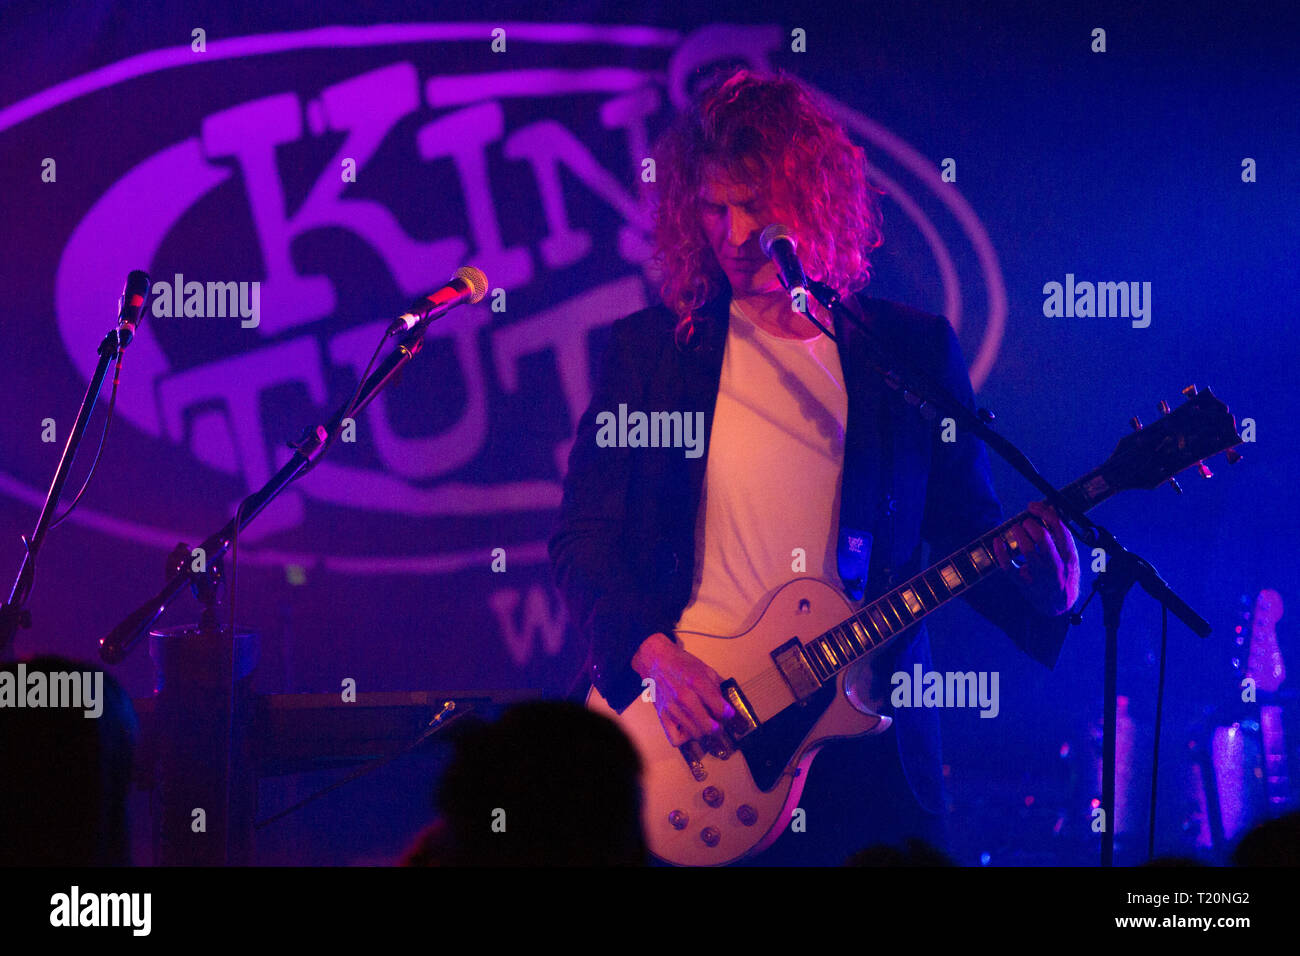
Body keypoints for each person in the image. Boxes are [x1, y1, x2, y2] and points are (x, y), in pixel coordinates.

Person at [548, 67, 1080, 865]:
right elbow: (582, 539)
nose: (734, 235)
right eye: (714, 207)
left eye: (756, 207)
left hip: (860, 748)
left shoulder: (907, 352)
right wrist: (655, 657)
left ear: (815, 200)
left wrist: (1047, 593)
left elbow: (965, 531)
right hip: (686, 728)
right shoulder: (654, 353)